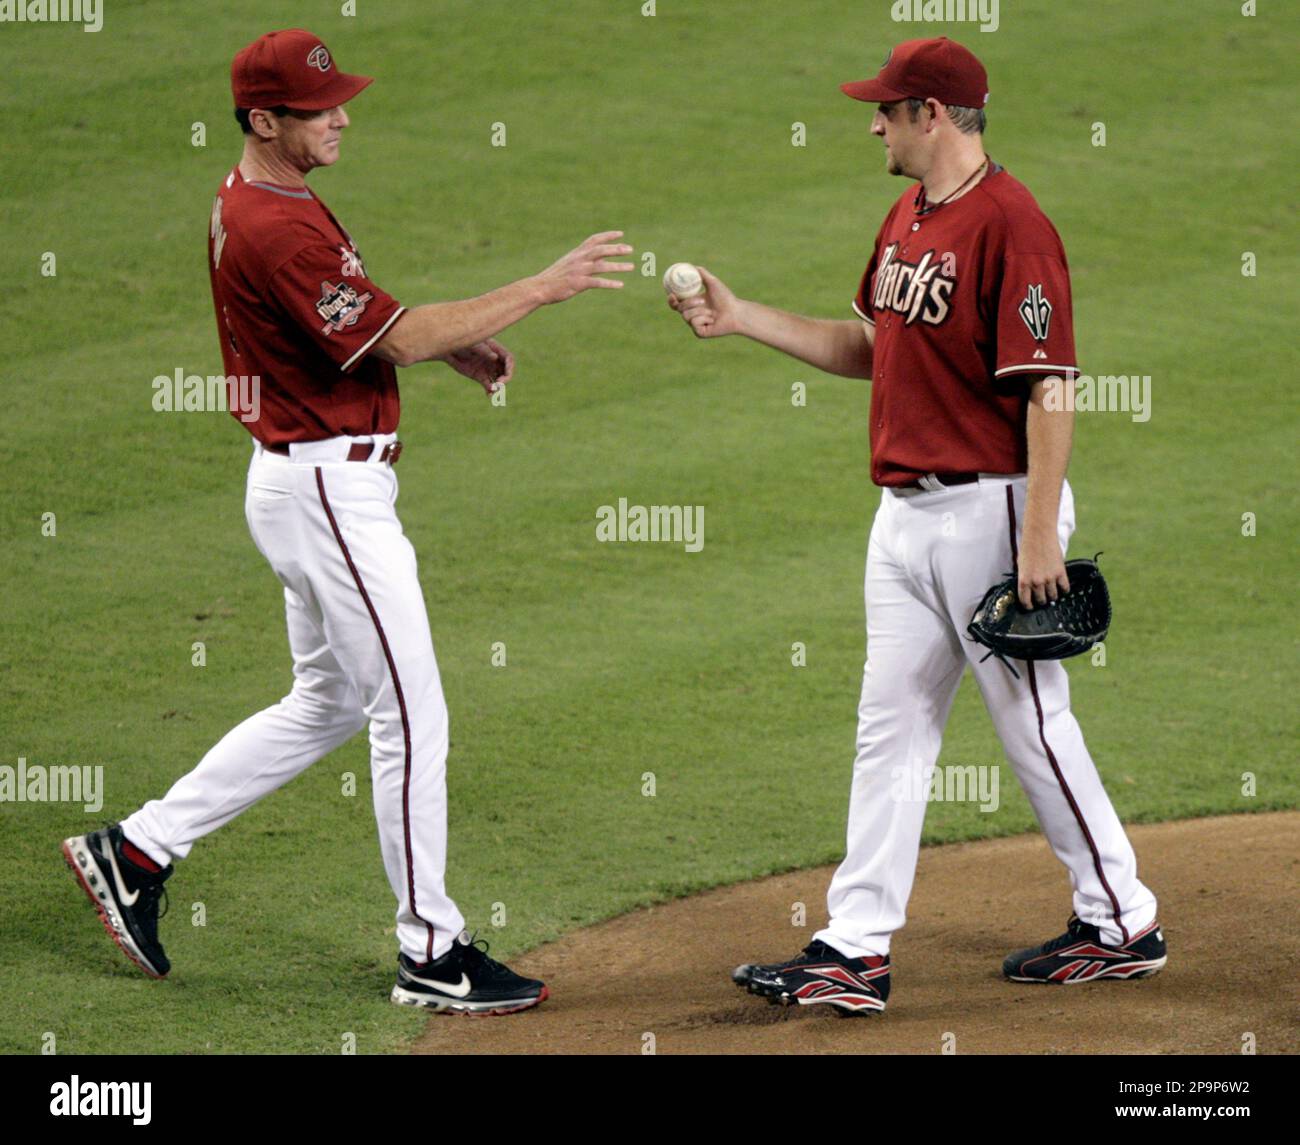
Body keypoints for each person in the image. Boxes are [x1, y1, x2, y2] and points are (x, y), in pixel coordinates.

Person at [61, 27, 633, 1016]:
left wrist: (442, 351)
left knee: (327, 700)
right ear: (263, 119)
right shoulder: (274, 225)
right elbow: (392, 331)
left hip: (306, 475)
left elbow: (359, 322)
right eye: (319, 108)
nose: (343, 116)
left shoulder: (267, 193)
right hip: (326, 489)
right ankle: (431, 948)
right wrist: (540, 286)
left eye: (338, 101)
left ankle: (138, 847)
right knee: (410, 715)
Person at [669, 37, 1164, 1014]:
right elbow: (870, 345)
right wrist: (744, 319)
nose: (872, 124)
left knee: (1030, 722)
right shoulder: (908, 212)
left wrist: (1035, 541)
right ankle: (853, 950)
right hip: (902, 515)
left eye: (888, 111)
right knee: (887, 729)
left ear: (933, 114)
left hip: (992, 507)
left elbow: (1051, 387)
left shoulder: (1011, 224)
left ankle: (1121, 920)